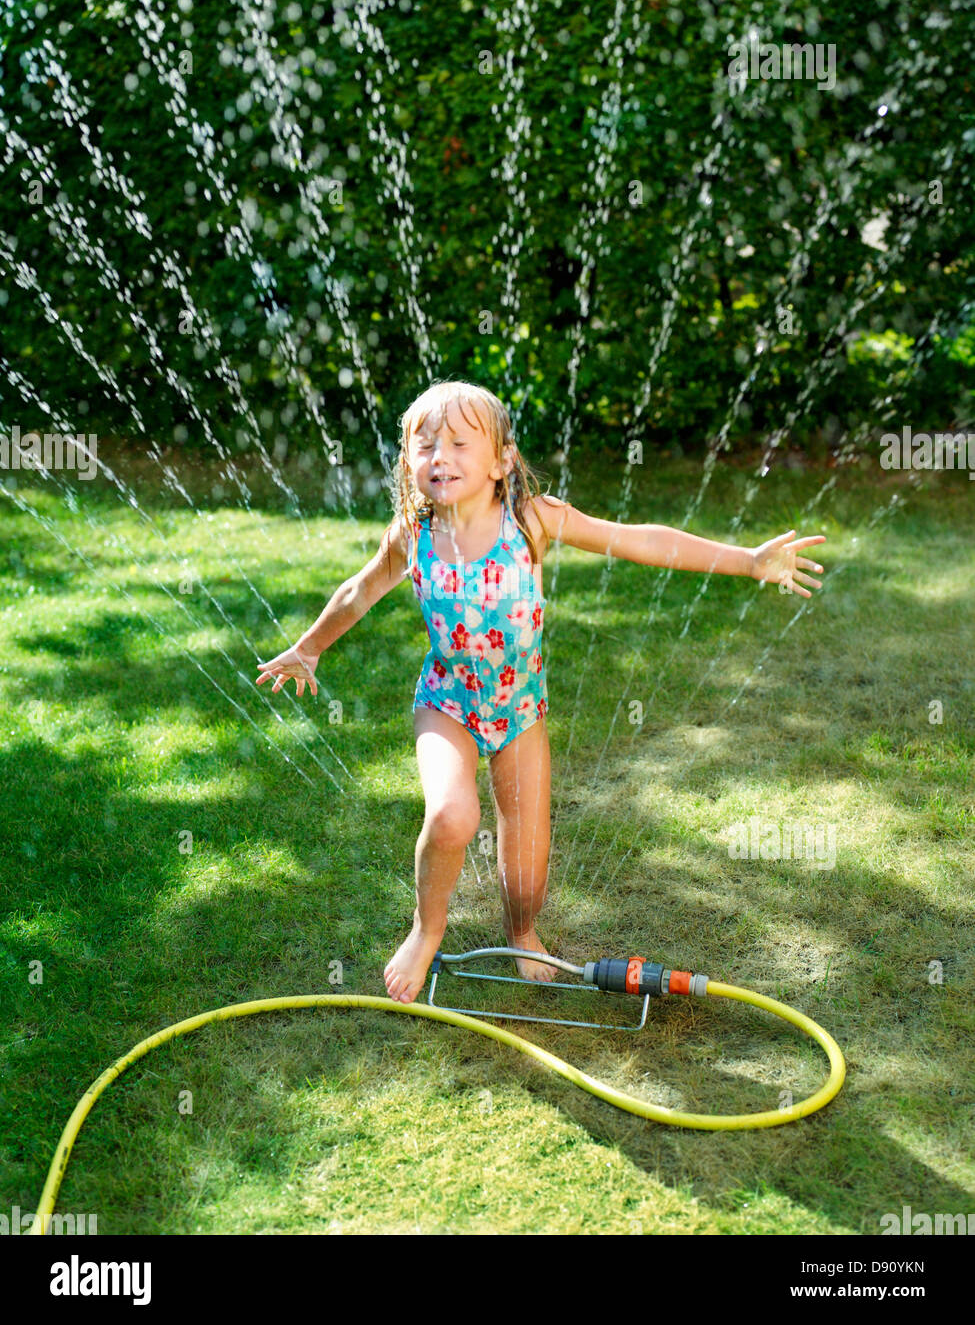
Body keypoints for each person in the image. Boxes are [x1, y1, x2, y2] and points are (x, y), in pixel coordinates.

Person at [256, 380, 825, 1004]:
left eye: (457, 443)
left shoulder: (530, 520)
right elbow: (357, 592)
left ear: (501, 461)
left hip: (520, 711)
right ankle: (426, 931)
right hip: (445, 701)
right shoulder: (412, 533)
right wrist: (309, 646)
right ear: (407, 461)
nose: (438, 456)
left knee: (527, 873)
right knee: (452, 815)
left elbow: (638, 538)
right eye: (424, 446)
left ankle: (522, 930)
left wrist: (746, 559)